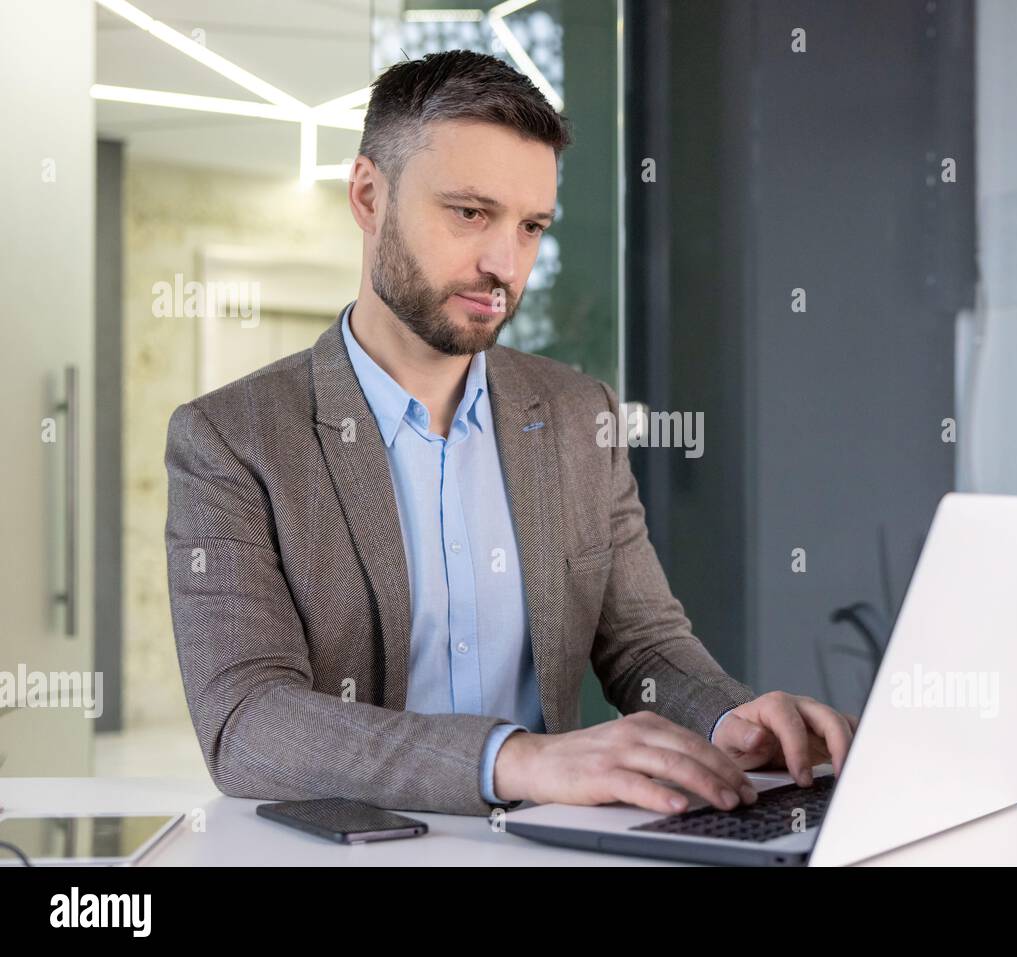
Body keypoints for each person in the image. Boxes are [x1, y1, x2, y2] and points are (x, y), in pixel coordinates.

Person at [165, 50, 857, 817]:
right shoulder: (230, 440)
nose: (504, 262)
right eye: (470, 212)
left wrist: (734, 718)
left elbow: (645, 644)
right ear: (368, 195)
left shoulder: (575, 412)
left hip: (548, 847)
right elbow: (246, 721)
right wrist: (513, 758)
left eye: (531, 226)